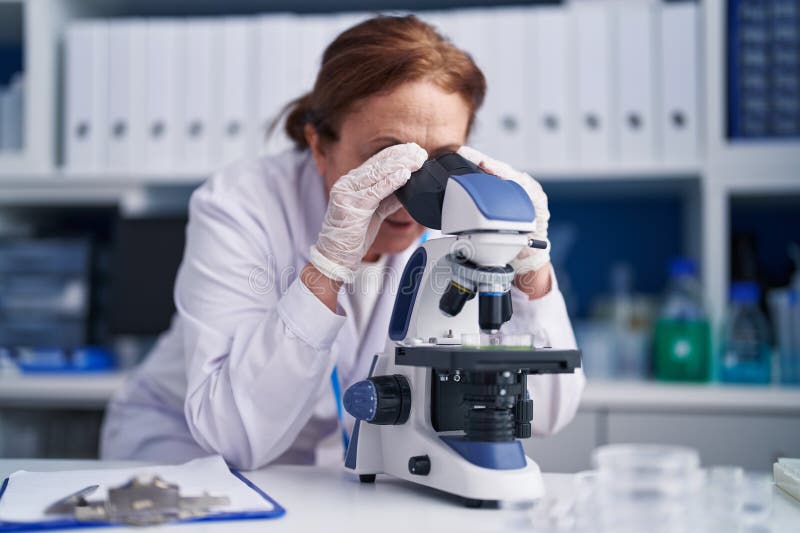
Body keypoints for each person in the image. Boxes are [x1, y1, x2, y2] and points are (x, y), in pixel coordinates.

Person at [100, 15, 585, 470]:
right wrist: (329, 264)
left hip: (343, 463)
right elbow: (232, 434)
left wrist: (529, 272)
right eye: (388, 157)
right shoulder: (241, 203)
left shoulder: (462, 215)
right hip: (188, 453)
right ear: (318, 146)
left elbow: (546, 414)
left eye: (441, 159)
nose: (412, 193)